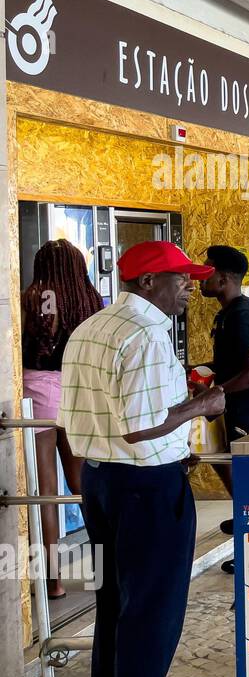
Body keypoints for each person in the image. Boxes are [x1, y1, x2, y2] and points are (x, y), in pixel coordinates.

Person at [59, 241, 227, 677]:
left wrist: (176, 430)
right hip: (148, 491)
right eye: (180, 279)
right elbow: (140, 426)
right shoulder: (147, 335)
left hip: (102, 483)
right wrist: (204, 406)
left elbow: (101, 418)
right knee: (150, 620)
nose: (189, 289)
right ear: (148, 282)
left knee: (115, 610)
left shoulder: (91, 329)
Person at [21, 239, 102, 600]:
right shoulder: (89, 297)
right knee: (84, 482)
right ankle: (105, 567)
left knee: (46, 492)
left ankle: (52, 582)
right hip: (78, 391)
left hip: (36, 392)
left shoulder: (30, 297)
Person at [196, 246, 249, 571]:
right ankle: (246, 523)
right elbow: (231, 362)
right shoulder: (228, 311)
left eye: (206, 270)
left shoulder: (242, 314)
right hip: (234, 409)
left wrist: (217, 391)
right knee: (232, 474)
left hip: (246, 411)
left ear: (224, 277)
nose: (200, 277)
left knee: (246, 481)